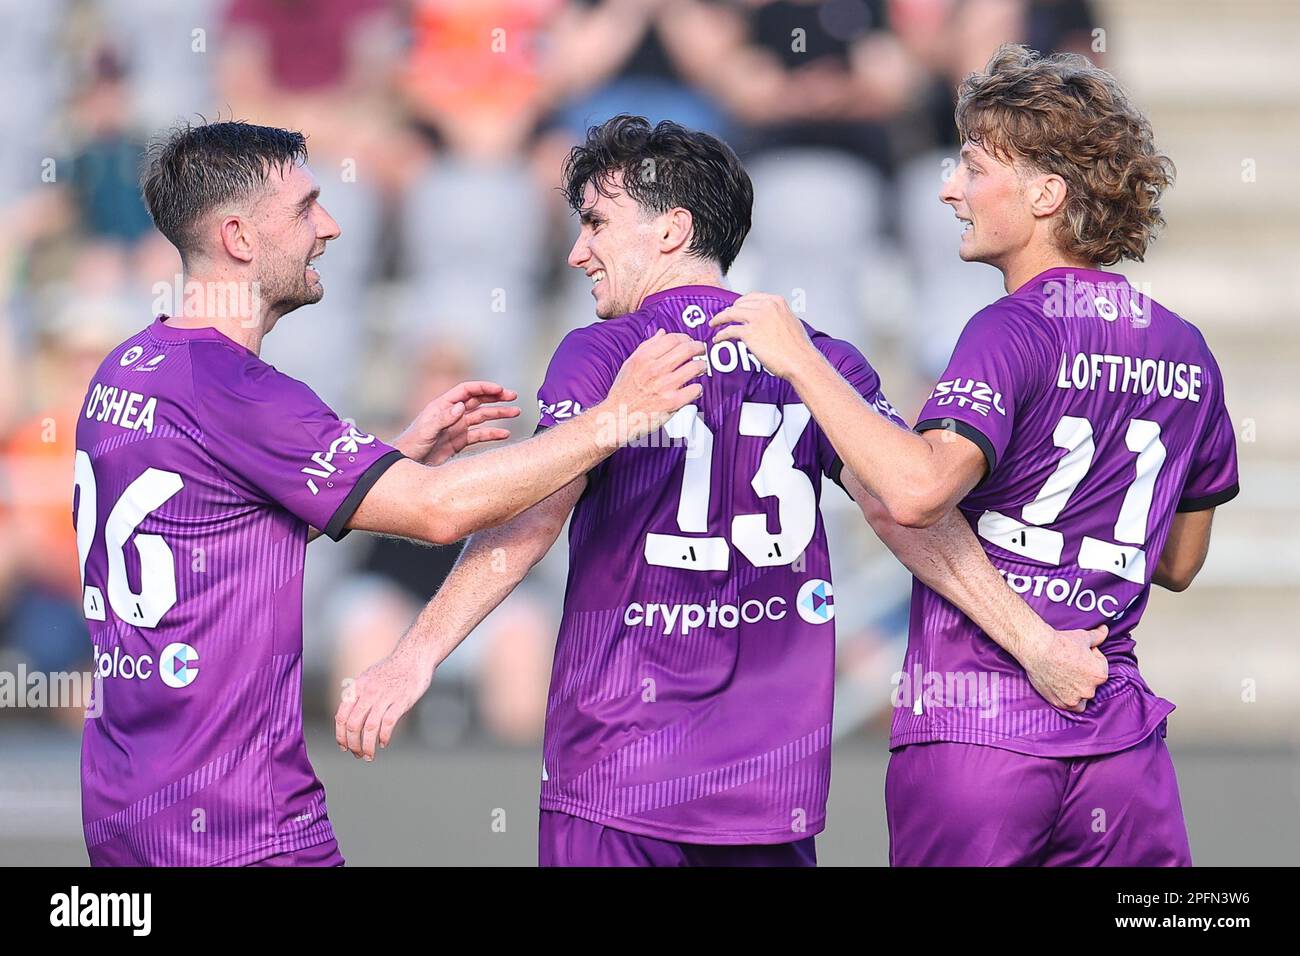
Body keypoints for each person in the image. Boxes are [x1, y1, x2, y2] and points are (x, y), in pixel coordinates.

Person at [336, 115, 1106, 867]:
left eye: (597, 225)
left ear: (670, 230)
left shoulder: (603, 352)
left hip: (617, 775)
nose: (577, 253)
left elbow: (530, 525)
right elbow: (908, 517)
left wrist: (414, 656)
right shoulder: (818, 358)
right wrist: (1034, 640)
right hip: (769, 788)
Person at [75, 119, 706, 866]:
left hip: (123, 796)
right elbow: (440, 513)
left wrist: (384, 463)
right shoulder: (242, 391)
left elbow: (203, 531)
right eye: (307, 208)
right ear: (240, 238)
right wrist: (616, 418)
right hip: (234, 814)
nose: (331, 227)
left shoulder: (130, 364)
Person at [710, 45, 1239, 865]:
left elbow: (919, 492)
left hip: (978, 733)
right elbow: (1177, 560)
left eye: (973, 167)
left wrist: (800, 359)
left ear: (1045, 193)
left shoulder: (1011, 327)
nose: (950, 189)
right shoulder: (1185, 347)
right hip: (1120, 744)